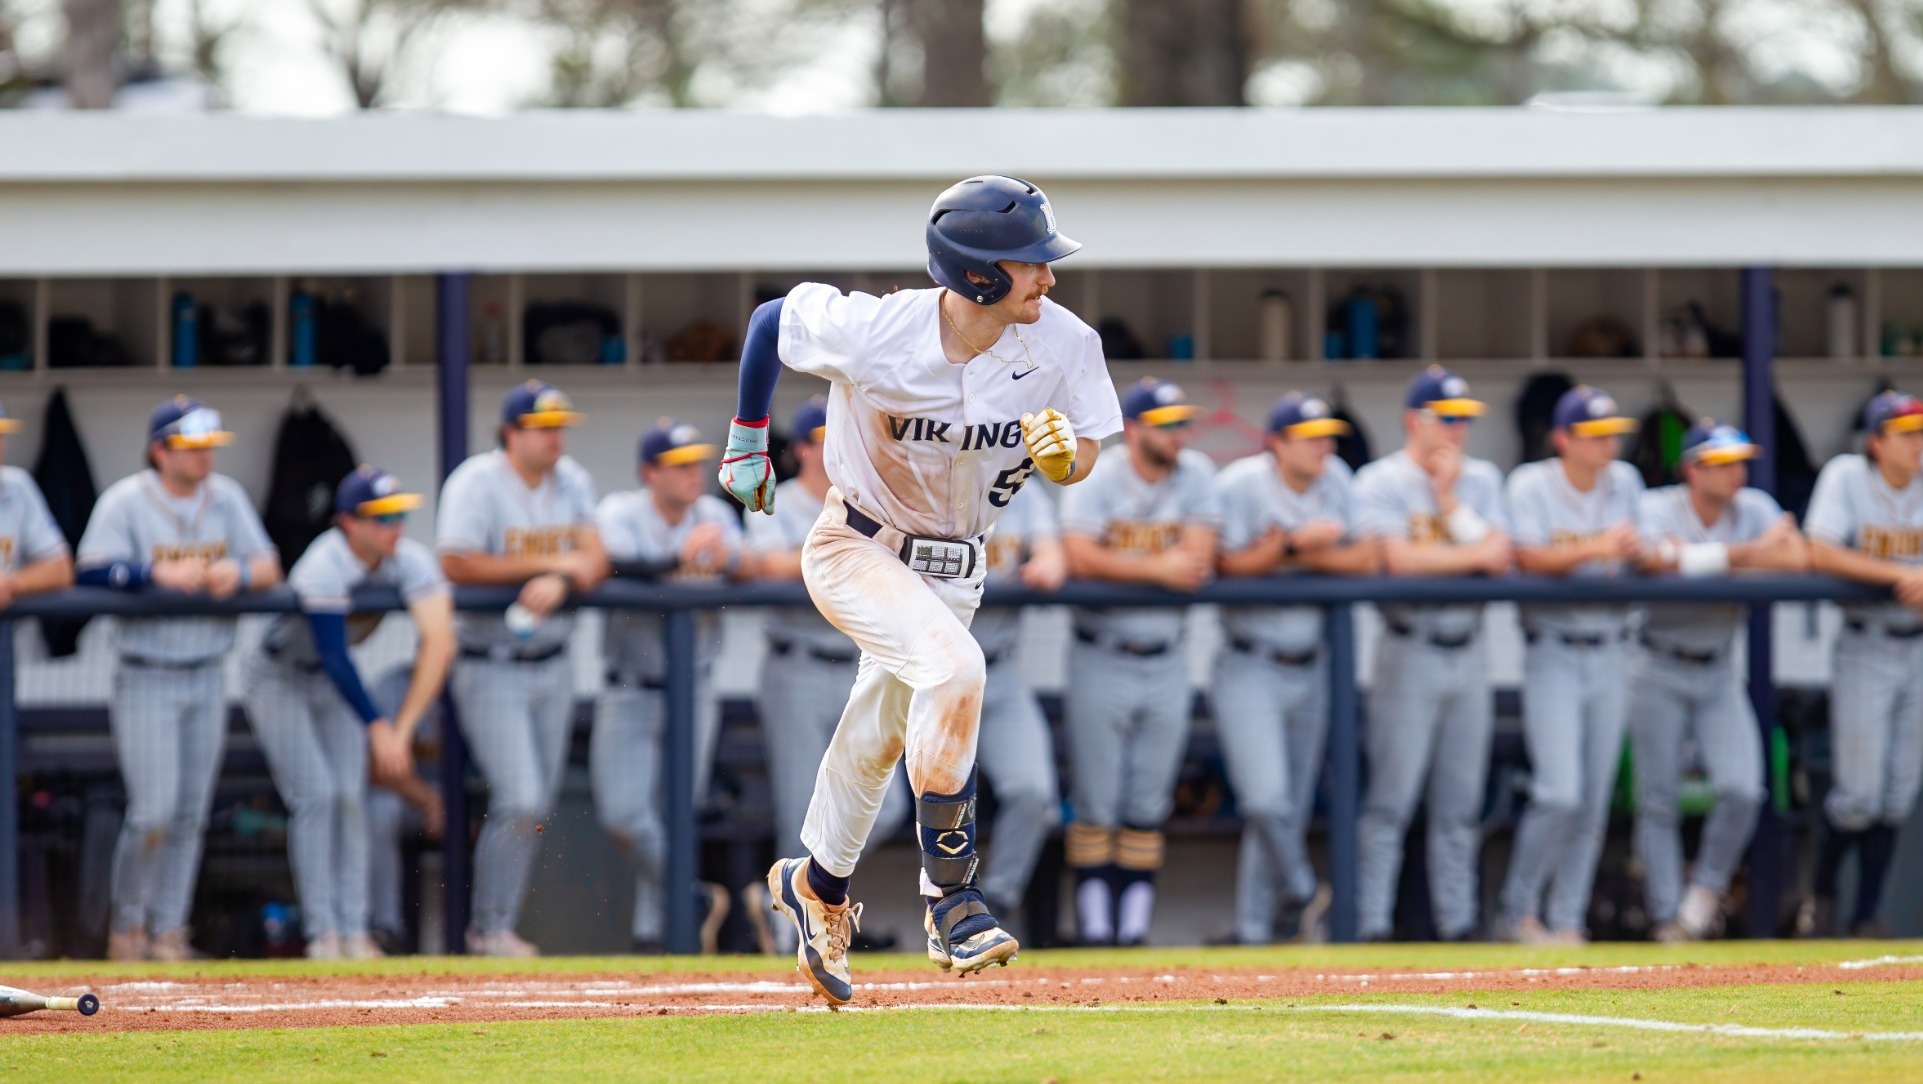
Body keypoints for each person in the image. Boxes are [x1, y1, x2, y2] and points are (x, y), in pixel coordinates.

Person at [719, 174, 1119, 1006]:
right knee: (955, 671)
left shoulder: (1063, 340)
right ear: (977, 275)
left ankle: (817, 887)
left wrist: (1062, 461)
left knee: (873, 740)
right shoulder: (880, 329)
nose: (1047, 276)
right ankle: (951, 898)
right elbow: (768, 323)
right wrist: (746, 440)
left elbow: (1084, 451)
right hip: (856, 544)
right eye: (1028, 263)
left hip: (958, 565)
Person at [77, 396, 282, 961]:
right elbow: (88, 568)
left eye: (207, 448)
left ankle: (169, 932)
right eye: (191, 448)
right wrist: (152, 573)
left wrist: (234, 571)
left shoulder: (226, 498)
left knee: (191, 813)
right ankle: (128, 929)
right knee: (154, 812)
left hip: (206, 672)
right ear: (160, 450)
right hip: (146, 672)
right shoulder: (126, 500)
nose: (203, 458)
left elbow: (269, 565)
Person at [242, 466, 454, 959]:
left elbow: (440, 639)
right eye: (380, 518)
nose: (393, 527)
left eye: (398, 515)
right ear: (348, 523)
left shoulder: (407, 559)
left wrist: (399, 729)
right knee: (317, 794)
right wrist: (379, 727)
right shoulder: (325, 562)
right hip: (281, 676)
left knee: (351, 796)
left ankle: (355, 930)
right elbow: (334, 655)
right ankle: (323, 933)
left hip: (331, 683)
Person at [437, 380, 608, 957]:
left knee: (537, 803)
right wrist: (551, 561)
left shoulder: (573, 479)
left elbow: (595, 558)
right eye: (543, 428)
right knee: (521, 797)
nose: (555, 437)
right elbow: (455, 560)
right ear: (511, 434)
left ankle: (497, 926)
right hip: (491, 662)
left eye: (559, 426)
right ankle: (487, 929)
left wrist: (562, 576)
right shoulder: (476, 481)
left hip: (554, 663)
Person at [1059, 377, 1221, 947]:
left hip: (1168, 656)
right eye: (1167, 424)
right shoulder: (1099, 473)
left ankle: (1133, 927)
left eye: (1182, 423)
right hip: (1102, 648)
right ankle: (1096, 925)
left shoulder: (1197, 473)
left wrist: (1127, 561)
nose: (1179, 434)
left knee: (1148, 797)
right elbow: (1079, 553)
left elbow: (1198, 559)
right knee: (1098, 797)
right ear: (1134, 429)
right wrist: (1156, 568)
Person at [745, 397, 908, 954]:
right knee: (801, 803)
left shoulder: (874, 495)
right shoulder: (780, 500)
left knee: (886, 806)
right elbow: (766, 563)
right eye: (823, 435)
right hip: (798, 665)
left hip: (863, 662)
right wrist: (852, 562)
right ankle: (789, 934)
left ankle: (805, 894)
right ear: (805, 448)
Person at [1353, 366, 1511, 942]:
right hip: (1409, 646)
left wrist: (1448, 501)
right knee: (1391, 801)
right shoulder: (1380, 479)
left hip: (1468, 651)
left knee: (1460, 804)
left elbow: (1499, 557)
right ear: (1412, 422)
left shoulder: (1483, 480)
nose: (1457, 431)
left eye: (1464, 420)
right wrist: (1466, 549)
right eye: (1447, 419)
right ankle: (1370, 925)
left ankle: (1459, 923)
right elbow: (1398, 562)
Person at [1631, 421, 1805, 941]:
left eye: (1739, 461)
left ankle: (1703, 897)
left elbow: (1796, 557)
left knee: (1743, 789)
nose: (1737, 472)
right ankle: (1667, 918)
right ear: (1692, 469)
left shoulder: (1751, 507)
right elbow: (1653, 562)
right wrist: (1747, 554)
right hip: (1656, 662)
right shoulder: (1658, 506)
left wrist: (1705, 560)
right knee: (1657, 799)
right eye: (1723, 463)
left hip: (1716, 666)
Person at [1211, 392, 1375, 945]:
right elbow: (1227, 566)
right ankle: (1304, 889)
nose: (1325, 447)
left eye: (1328, 436)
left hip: (1313, 665)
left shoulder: (1339, 480)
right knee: (1264, 799)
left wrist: (1293, 553)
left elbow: (1367, 558)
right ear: (1277, 443)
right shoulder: (1242, 483)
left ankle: (1257, 930)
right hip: (1251, 658)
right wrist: (1291, 548)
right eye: (1311, 438)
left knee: (1287, 809)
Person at [1497, 386, 1644, 945]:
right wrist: (1598, 549)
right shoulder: (1532, 483)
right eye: (1595, 434)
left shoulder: (1625, 481)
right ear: (1563, 439)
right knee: (1558, 792)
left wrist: (1617, 552)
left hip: (1611, 646)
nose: (1608, 443)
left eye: (1612, 433)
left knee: (1592, 801)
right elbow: (1529, 556)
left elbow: (1635, 552)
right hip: (1554, 647)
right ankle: (1518, 912)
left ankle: (1568, 920)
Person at [593, 419, 745, 954]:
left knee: (678, 814)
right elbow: (611, 567)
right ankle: (689, 896)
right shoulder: (619, 512)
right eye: (679, 466)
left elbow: (745, 566)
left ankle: (654, 933)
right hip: (630, 686)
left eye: (696, 464)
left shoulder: (716, 515)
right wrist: (677, 561)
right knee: (626, 816)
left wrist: (726, 559)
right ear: (649, 473)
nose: (692, 475)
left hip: (695, 686)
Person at [1801, 390, 1923, 938]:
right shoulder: (1848, 475)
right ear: (1877, 443)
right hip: (1865, 640)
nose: (1918, 442)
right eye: (1907, 433)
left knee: (1899, 793)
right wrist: (1897, 575)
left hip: (1917, 645)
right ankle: (1823, 889)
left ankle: (1866, 915)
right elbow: (1819, 550)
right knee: (1859, 797)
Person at [969, 477, 1067, 932]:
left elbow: (1052, 554)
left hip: (998, 667)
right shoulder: (928, 481)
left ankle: (995, 903)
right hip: (924, 670)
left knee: (1033, 792)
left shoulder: (1021, 491)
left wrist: (1047, 563)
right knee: (912, 804)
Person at [0, 402, 74, 613]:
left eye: (0, 436)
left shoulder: (18, 486)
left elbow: (61, 569)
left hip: (9, 638)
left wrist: (12, 583)